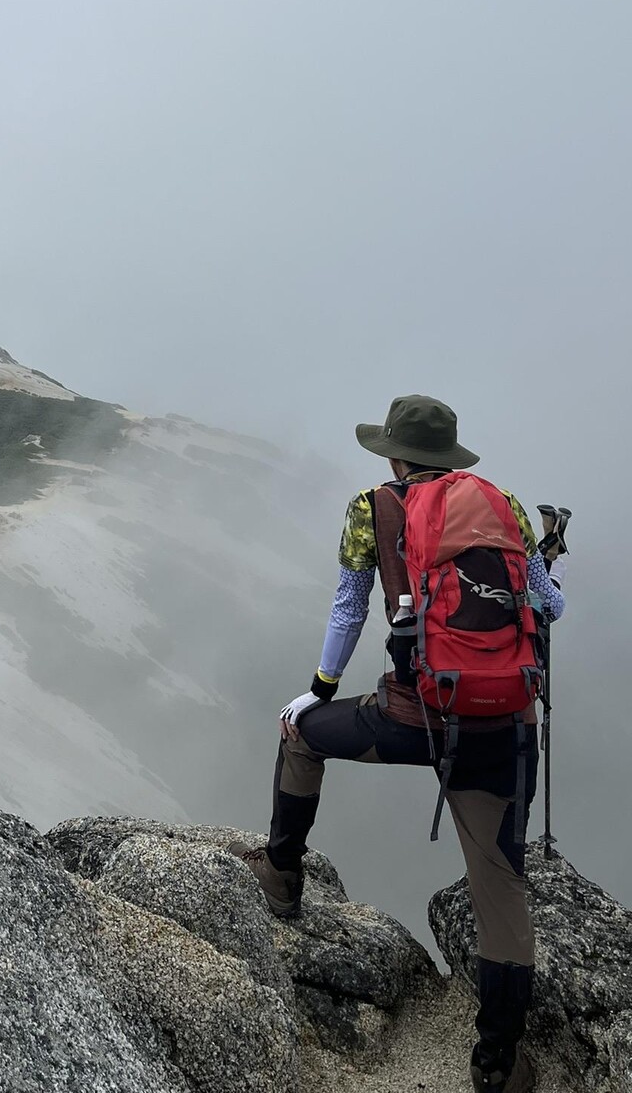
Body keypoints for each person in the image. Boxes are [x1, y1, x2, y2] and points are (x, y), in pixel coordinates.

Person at [231, 395, 567, 1093]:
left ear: (394, 452)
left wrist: (319, 689)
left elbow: (350, 605)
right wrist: (548, 561)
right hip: (505, 723)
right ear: (451, 452)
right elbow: (550, 605)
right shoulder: (502, 500)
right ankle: (497, 1066)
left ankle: (282, 878)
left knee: (301, 739)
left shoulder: (373, 506)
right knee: (501, 889)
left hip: (415, 715)